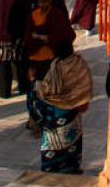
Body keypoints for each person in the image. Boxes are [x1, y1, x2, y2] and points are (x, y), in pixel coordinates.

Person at [27, 41, 93, 174]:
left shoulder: (45, 70)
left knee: (50, 163)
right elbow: (84, 105)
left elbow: (34, 101)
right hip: (72, 123)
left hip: (52, 125)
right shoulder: (78, 66)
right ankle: (72, 171)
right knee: (72, 159)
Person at [24, 0, 76, 130]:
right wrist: (43, 39)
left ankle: (47, 121)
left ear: (50, 1)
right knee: (35, 93)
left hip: (51, 60)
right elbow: (28, 37)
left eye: (45, 1)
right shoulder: (33, 15)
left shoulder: (56, 15)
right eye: (40, 2)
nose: (42, 5)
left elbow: (63, 35)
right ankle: (35, 121)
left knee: (50, 93)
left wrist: (43, 38)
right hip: (35, 60)